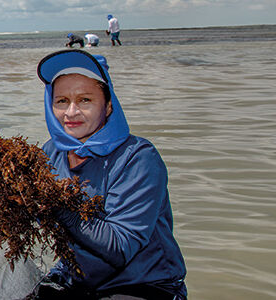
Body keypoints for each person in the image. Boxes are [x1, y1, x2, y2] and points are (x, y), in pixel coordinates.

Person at [32, 49, 187, 299]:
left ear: (108, 105)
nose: (71, 112)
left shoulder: (138, 158)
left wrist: (58, 206)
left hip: (142, 284)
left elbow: (120, 247)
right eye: (61, 101)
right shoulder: (50, 152)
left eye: (85, 100)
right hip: (75, 279)